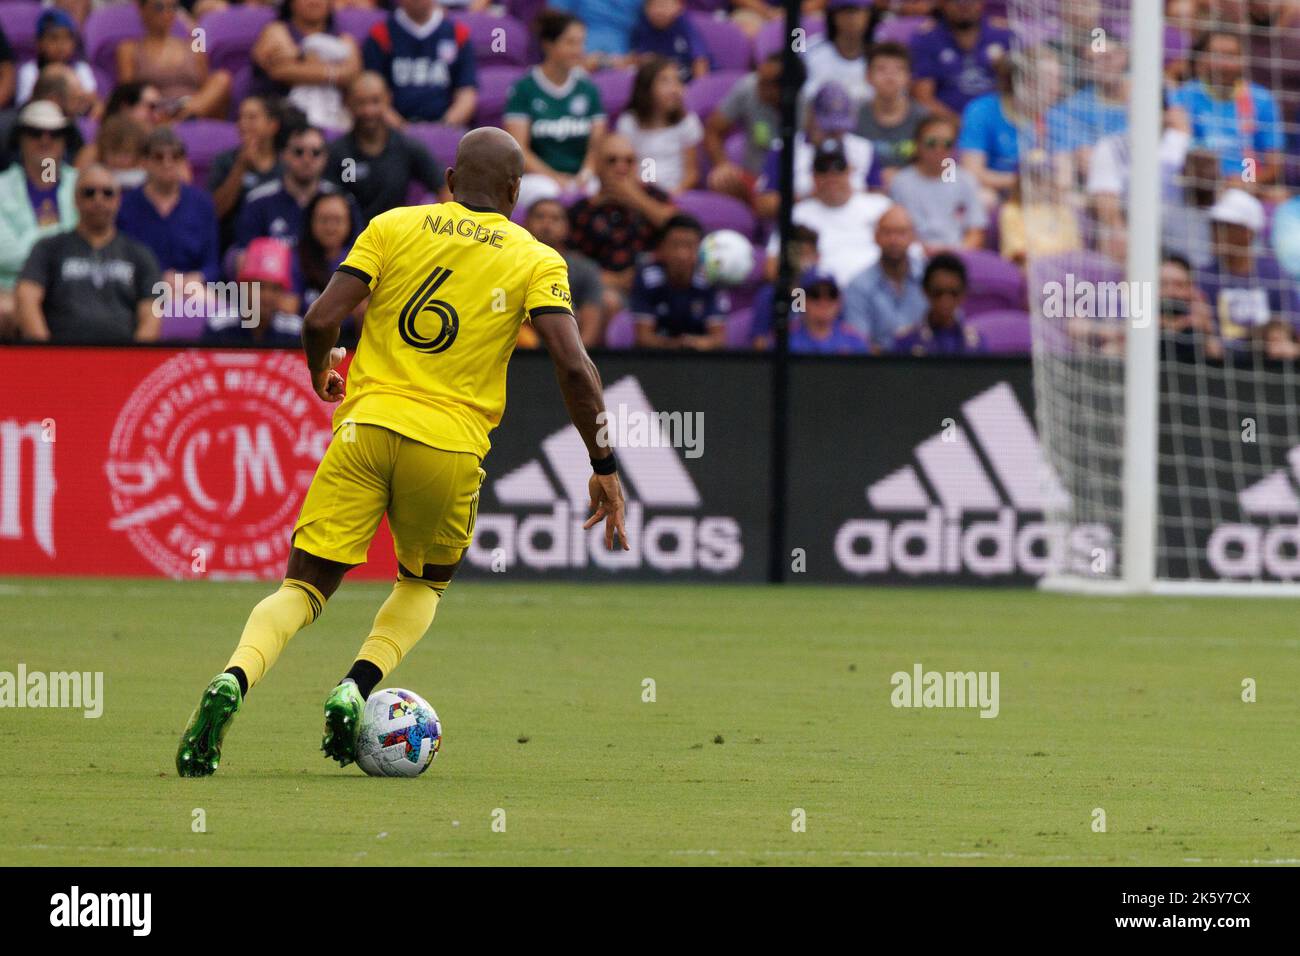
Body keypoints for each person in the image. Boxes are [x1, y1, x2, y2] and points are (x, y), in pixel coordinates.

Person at [174, 127, 628, 777]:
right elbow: (575, 369)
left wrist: (318, 373)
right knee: (422, 583)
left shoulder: (391, 226)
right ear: (515, 192)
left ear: (448, 180)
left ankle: (233, 680)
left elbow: (319, 320)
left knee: (304, 586)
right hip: (448, 446)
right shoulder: (536, 260)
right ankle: (355, 687)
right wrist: (603, 465)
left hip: (366, 429)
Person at [15, 164, 161, 344]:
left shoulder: (140, 254)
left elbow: (152, 313)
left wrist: (135, 361)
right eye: (89, 192)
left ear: (118, 200)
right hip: (62, 356)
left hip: (122, 359)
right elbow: (26, 297)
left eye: (107, 193)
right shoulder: (48, 248)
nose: (98, 199)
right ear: (75, 199)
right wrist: (46, 355)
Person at [116, 126, 221, 326]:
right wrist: (157, 279)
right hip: (143, 289)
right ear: (144, 162)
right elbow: (121, 259)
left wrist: (191, 279)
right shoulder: (126, 206)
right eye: (158, 157)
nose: (168, 163)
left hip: (191, 287)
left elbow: (213, 265)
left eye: (175, 156)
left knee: (218, 310)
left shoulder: (202, 203)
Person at [504, 10, 607, 210]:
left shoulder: (588, 87)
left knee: (598, 195)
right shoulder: (524, 88)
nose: (578, 50)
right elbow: (519, 149)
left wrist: (585, 174)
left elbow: (597, 144)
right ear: (548, 44)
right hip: (538, 179)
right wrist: (556, 178)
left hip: (581, 177)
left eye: (581, 43)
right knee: (548, 195)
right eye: (570, 43)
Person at [232, 120, 359, 275]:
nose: (307, 159)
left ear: (325, 157)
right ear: (284, 155)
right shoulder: (257, 200)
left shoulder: (342, 201)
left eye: (316, 152)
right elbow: (243, 259)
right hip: (275, 290)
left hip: (328, 287)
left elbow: (357, 256)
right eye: (299, 152)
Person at [568, 132, 676, 311]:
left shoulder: (654, 196)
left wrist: (634, 198)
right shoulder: (581, 211)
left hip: (659, 285)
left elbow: (680, 228)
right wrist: (617, 280)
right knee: (606, 301)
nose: (621, 167)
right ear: (597, 165)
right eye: (612, 160)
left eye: (629, 161)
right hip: (606, 291)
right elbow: (570, 264)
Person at [1169, 26, 1284, 191]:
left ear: (1243, 60)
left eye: (1230, 56)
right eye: (1216, 55)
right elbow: (1176, 152)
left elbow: (1272, 163)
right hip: (1194, 188)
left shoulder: (1261, 100)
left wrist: (1246, 181)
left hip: (1243, 188)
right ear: (1201, 59)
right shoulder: (1184, 97)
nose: (1223, 63)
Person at [0, 101, 79, 333]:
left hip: (75, 290)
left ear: (64, 140)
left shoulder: (83, 184)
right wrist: (60, 244)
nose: (45, 140)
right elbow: (6, 255)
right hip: (11, 290)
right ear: (20, 138)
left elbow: (92, 243)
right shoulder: (1, 187)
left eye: (54, 134)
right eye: (35, 133)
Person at [771, 137, 892, 287]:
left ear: (850, 171)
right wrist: (800, 302)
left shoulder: (881, 207)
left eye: (838, 167)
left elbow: (911, 254)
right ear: (813, 175)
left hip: (875, 294)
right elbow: (773, 265)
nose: (831, 176)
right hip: (820, 297)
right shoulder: (797, 215)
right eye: (822, 168)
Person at [327, 73, 445, 226]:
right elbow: (326, 202)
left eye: (375, 101)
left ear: (388, 99)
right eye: (360, 102)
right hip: (352, 243)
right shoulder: (337, 152)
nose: (368, 111)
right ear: (347, 102)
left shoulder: (408, 147)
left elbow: (444, 189)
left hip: (395, 238)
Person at [1199, 188, 1300, 349]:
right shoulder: (1204, 276)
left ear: (1248, 232)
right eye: (1214, 225)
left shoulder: (1273, 274)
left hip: (1270, 364)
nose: (1215, 232)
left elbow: (1294, 323)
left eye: (1225, 226)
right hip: (1219, 365)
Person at [755, 82, 873, 217]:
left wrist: (845, 195)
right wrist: (810, 195)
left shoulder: (863, 149)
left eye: (839, 128)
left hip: (851, 224)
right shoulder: (784, 150)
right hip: (802, 227)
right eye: (827, 127)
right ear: (811, 116)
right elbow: (764, 205)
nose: (833, 133)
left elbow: (877, 201)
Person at [704, 51, 799, 206]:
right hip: (754, 179)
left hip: (795, 181)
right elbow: (712, 130)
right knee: (719, 181)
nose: (758, 85)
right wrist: (723, 164)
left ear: (787, 89)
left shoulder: (806, 103)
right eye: (759, 77)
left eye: (766, 83)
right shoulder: (747, 88)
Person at [362, 0, 477, 126]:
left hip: (445, 129)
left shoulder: (458, 34)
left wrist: (444, 129)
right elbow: (372, 95)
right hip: (394, 134)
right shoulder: (380, 35)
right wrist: (402, 131)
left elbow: (467, 93)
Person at [251, 0, 361, 131]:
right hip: (281, 120)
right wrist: (335, 70)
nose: (314, 2)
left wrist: (298, 57)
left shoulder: (345, 39)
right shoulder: (275, 31)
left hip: (333, 119)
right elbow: (279, 71)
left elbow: (352, 75)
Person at [116, 0, 232, 121]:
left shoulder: (193, 47)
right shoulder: (129, 49)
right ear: (142, 9)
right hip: (154, 111)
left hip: (191, 107)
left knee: (222, 78)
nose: (167, 12)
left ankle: (179, 119)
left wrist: (188, 108)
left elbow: (205, 90)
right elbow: (128, 93)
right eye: (159, 7)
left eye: (173, 7)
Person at [888, 114, 987, 254]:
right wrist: (919, 251)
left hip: (957, 257)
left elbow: (976, 233)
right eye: (931, 143)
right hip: (912, 256)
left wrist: (955, 253)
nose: (939, 149)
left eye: (947, 144)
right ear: (917, 143)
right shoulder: (900, 182)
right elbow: (895, 229)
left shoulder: (966, 180)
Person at [630, 213, 726, 349]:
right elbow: (643, 338)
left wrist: (694, 344)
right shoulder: (647, 278)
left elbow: (718, 339)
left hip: (700, 361)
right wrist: (675, 345)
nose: (682, 254)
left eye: (689, 246)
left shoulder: (710, 279)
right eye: (675, 245)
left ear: (700, 250)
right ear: (661, 248)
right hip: (658, 359)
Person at [521, 197, 606, 348]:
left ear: (567, 228)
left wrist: (573, 360)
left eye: (555, 219)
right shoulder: (512, 263)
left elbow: (589, 331)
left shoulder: (585, 269)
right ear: (525, 224)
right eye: (540, 217)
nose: (547, 224)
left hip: (569, 351)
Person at [841, 204, 927, 352]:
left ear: (913, 237)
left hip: (928, 365)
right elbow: (858, 343)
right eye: (887, 232)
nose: (894, 240)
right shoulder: (858, 285)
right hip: (877, 369)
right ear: (875, 237)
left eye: (901, 233)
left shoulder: (930, 277)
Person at [908, 0, 1011, 121]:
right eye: (956, 2)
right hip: (946, 126)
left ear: (981, 2)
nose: (964, 5)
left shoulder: (1004, 36)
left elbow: (1016, 90)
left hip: (997, 125)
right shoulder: (925, 39)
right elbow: (923, 98)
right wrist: (960, 124)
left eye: (969, 2)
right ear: (942, 3)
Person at [615, 56, 702, 195]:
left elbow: (692, 173)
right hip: (638, 193)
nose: (674, 89)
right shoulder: (629, 123)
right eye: (665, 81)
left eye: (676, 81)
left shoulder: (687, 122)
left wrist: (674, 193)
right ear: (646, 88)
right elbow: (625, 165)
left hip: (676, 195)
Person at [208, 94, 283, 252]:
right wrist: (240, 167)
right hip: (235, 248)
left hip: (279, 246)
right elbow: (214, 211)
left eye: (252, 117)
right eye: (240, 117)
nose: (243, 124)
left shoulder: (286, 166)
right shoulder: (225, 161)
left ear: (272, 125)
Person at [854, 41, 929, 190]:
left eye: (898, 70)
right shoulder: (855, 117)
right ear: (868, 76)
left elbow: (935, 164)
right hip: (866, 191)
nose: (890, 77)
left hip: (913, 191)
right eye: (881, 69)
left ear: (909, 78)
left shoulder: (923, 119)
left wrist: (901, 177)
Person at [203, 236, 304, 346]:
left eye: (275, 289)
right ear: (244, 287)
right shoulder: (219, 326)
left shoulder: (295, 330)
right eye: (260, 287)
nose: (267, 296)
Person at [294, 191, 364, 343]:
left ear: (349, 223)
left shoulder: (361, 260)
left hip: (350, 345)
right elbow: (287, 305)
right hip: (298, 344)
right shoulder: (294, 257)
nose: (330, 227)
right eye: (324, 220)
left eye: (338, 220)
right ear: (311, 222)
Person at [892, 252, 984, 355]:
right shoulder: (906, 341)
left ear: (963, 294)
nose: (945, 300)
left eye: (953, 293)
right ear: (925, 291)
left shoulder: (976, 343)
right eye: (938, 292)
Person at [15, 8, 99, 117]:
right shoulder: (30, 70)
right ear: (39, 43)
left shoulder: (81, 69)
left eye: (67, 38)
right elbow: (26, 107)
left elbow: (92, 100)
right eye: (53, 38)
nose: (61, 45)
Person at [804, 0, 873, 105]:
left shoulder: (882, 53)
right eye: (844, 12)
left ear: (868, 15)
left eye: (856, 11)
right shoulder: (811, 51)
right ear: (833, 16)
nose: (851, 18)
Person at [789, 269, 867, 355]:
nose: (824, 302)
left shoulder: (855, 341)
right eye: (815, 295)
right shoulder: (784, 338)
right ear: (801, 300)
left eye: (832, 294)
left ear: (839, 300)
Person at [628, 0, 709, 83]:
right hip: (665, 82)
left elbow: (700, 60)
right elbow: (638, 56)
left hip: (691, 81)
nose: (658, 11)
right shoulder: (643, 26)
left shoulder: (686, 24)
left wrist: (699, 88)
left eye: (664, 5)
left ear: (678, 6)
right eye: (652, 5)